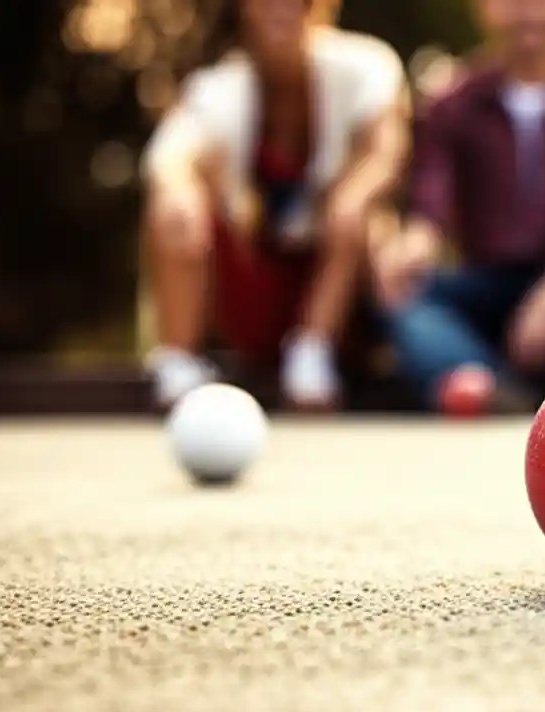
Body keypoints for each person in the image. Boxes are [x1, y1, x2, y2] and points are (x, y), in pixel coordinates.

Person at [375, 0, 545, 413]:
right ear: (486, 9)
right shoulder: (452, 103)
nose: (528, 13)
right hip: (488, 283)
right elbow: (430, 206)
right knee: (409, 301)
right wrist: (410, 249)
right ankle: (487, 387)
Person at [142, 0, 406, 410]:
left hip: (341, 289)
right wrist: (178, 193)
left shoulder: (366, 65)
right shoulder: (217, 88)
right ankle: (179, 362)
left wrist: (353, 197)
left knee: (357, 210)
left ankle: (312, 354)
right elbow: (170, 157)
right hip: (252, 281)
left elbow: (386, 154)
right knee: (173, 205)